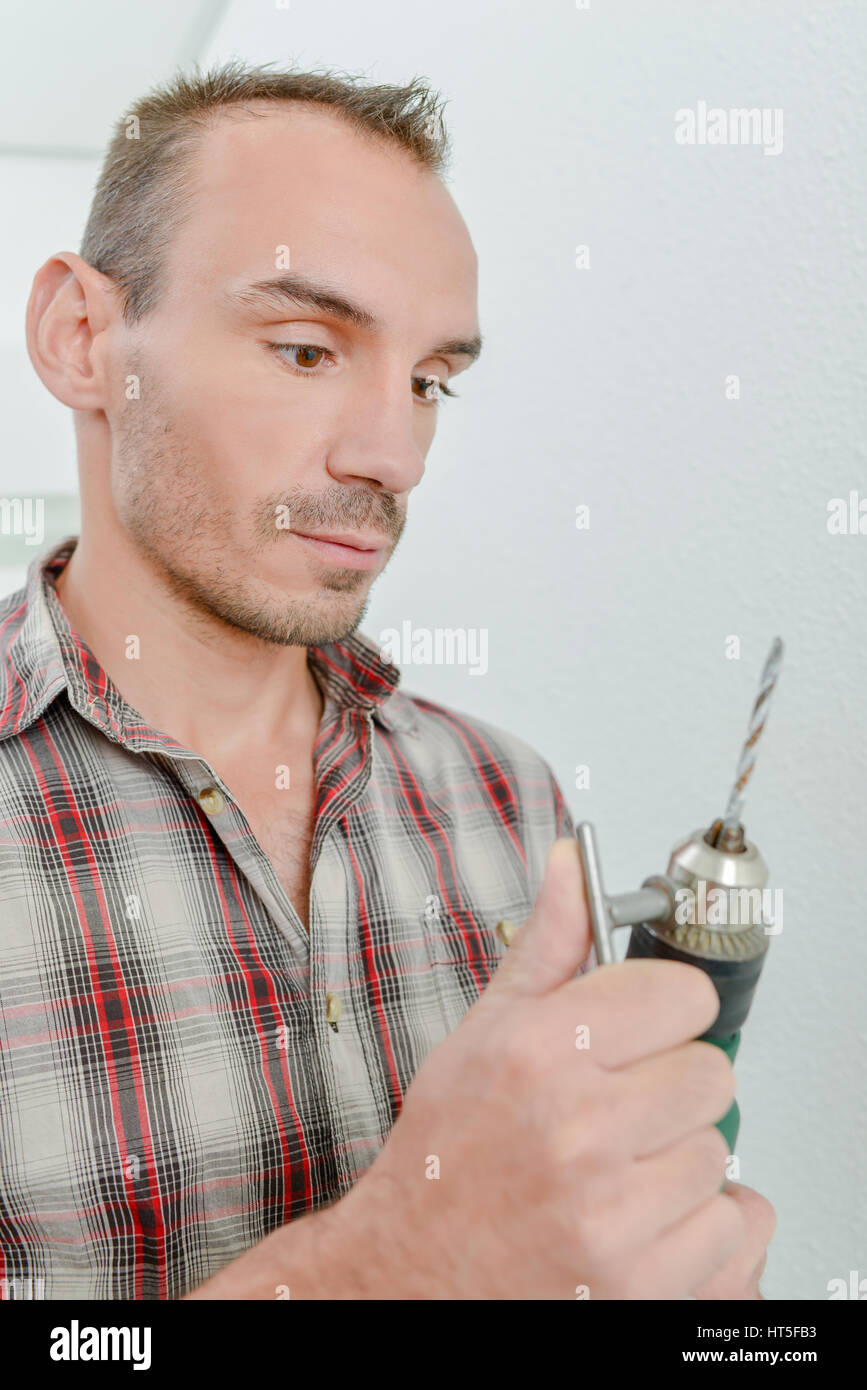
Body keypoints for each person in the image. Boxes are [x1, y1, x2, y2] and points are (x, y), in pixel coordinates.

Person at [1, 61, 774, 1299]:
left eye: (429, 381)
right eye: (307, 350)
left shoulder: (511, 801)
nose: (393, 453)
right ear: (84, 339)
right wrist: (392, 1265)